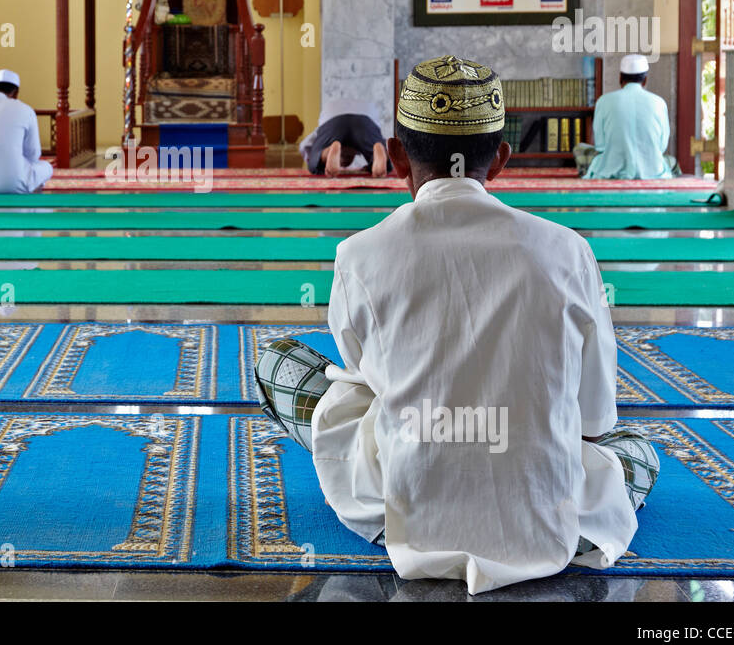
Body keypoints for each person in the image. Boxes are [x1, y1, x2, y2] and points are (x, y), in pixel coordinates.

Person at [254, 55, 660, 595]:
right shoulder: (567, 250)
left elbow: (364, 379)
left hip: (405, 511)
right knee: (638, 450)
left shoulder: (360, 255)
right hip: (543, 520)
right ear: (501, 161)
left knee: (277, 361)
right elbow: (593, 416)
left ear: (396, 156)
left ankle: (409, 511)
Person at [577, 53, 679, 179]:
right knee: (670, 161)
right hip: (653, 170)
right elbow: (661, 146)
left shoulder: (603, 101)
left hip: (610, 169)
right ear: (645, 80)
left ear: (620, 78)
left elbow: (600, 145)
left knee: (580, 149)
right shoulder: (659, 102)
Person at [298, 98, 390, 177]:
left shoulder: (328, 114)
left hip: (332, 122)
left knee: (315, 164)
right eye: (344, 156)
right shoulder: (369, 120)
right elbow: (388, 145)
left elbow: (303, 145)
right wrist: (382, 146)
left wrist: (314, 156)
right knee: (384, 161)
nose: (344, 162)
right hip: (366, 121)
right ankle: (376, 160)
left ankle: (327, 152)